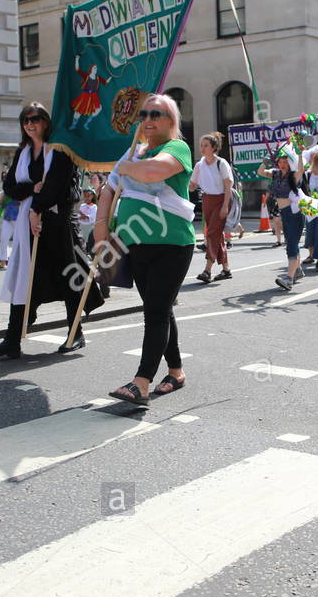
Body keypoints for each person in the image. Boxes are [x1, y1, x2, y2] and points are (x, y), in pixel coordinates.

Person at [95, 94, 195, 406]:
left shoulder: (177, 148)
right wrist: (101, 234)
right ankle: (176, 371)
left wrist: (126, 166)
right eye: (144, 114)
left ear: (171, 121)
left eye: (157, 114)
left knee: (154, 313)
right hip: (134, 244)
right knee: (160, 309)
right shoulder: (134, 153)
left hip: (172, 246)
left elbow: (153, 173)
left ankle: (141, 382)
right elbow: (108, 192)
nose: (148, 120)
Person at [0, 102, 101, 359]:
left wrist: (36, 207)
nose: (30, 124)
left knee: (69, 276)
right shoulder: (23, 151)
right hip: (30, 225)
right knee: (22, 279)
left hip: (59, 223)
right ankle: (12, 339)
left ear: (46, 121)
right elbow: (11, 186)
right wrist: (31, 192)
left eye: (35, 118)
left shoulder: (60, 150)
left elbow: (58, 187)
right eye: (25, 120)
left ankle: (75, 333)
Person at [259, 146, 308, 291]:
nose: (282, 164)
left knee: (291, 245)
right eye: (280, 161)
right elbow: (260, 172)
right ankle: (297, 270)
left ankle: (289, 278)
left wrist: (299, 154)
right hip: (284, 213)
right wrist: (265, 162)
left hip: (295, 213)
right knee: (291, 243)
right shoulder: (275, 174)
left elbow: (301, 170)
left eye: (285, 161)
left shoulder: (293, 175)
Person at [187, 132, 234, 283]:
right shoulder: (199, 165)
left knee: (212, 233)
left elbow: (228, 185)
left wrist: (225, 206)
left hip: (221, 199)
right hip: (207, 200)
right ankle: (226, 269)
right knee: (216, 235)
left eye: (205, 145)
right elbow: (192, 186)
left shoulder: (221, 163)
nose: (202, 148)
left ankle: (207, 270)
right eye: (201, 145)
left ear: (214, 148)